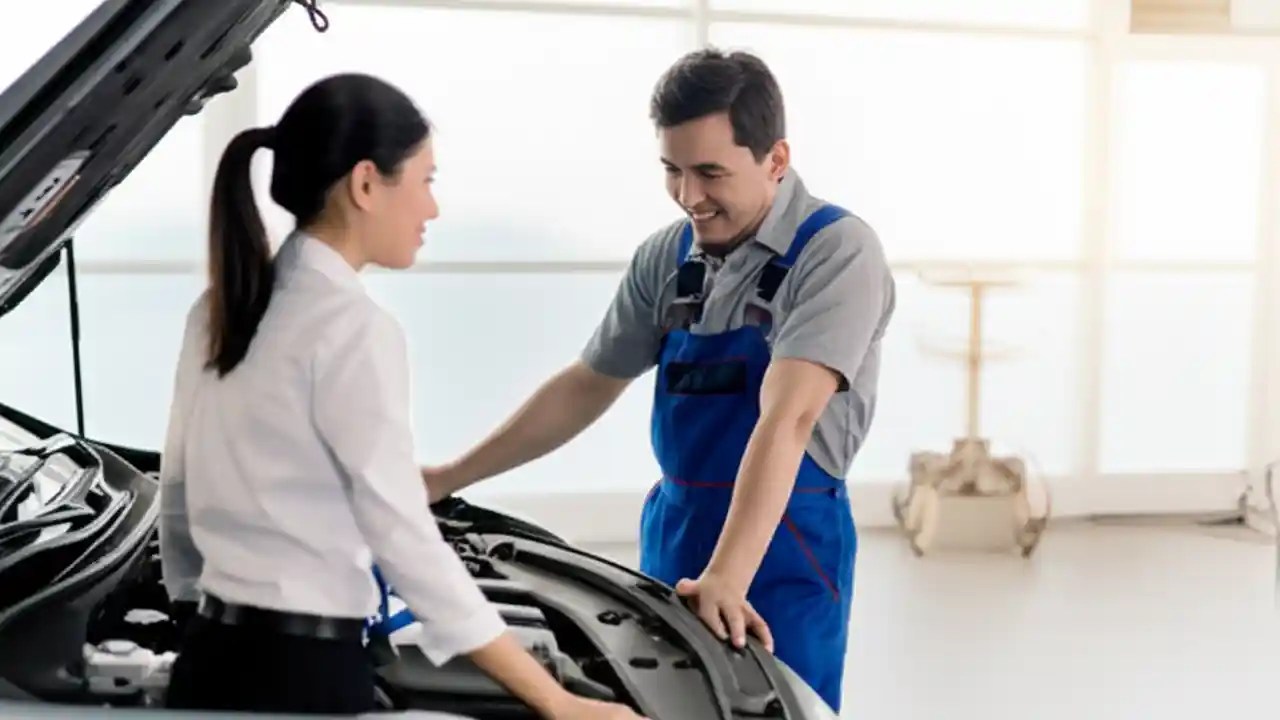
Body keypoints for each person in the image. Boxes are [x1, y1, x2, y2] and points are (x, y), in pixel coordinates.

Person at [420, 49, 896, 713]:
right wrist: (449, 476)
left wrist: (729, 577)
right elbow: (587, 384)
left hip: (785, 546)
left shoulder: (836, 253)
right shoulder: (667, 257)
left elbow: (786, 419)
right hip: (676, 532)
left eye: (710, 173)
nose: (688, 196)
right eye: (672, 170)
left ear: (776, 160)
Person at [156, 72, 643, 719]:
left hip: (210, 660)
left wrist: (191, 606)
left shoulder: (218, 308)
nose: (432, 210)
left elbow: (178, 493)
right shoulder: (354, 329)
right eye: (425, 181)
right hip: (304, 679)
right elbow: (403, 537)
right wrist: (554, 699)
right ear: (365, 184)